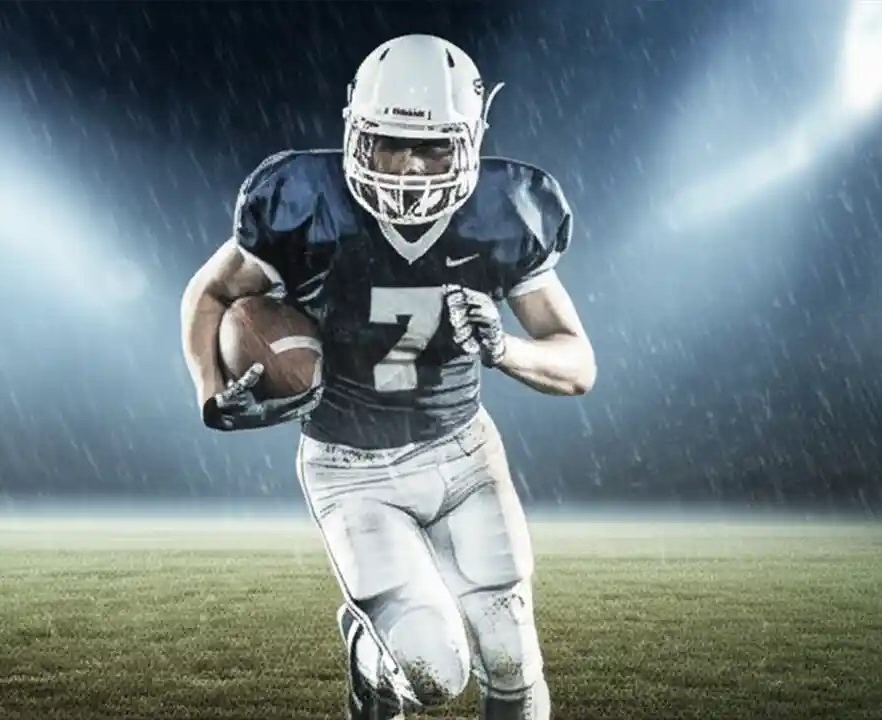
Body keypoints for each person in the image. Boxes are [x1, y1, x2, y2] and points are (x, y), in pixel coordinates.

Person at [181, 33, 595, 720]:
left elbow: (577, 362)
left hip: (463, 453)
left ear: (471, 141)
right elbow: (211, 293)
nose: (407, 168)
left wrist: (506, 350)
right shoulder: (305, 203)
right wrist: (207, 388)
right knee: (437, 672)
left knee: (513, 657)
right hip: (351, 468)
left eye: (433, 148)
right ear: (355, 133)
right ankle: (369, 659)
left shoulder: (506, 213)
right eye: (388, 144)